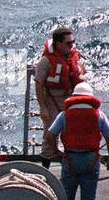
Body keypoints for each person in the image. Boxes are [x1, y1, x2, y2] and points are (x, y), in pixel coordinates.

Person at [46, 83, 109, 200]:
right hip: (91, 160)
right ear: (90, 98)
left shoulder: (64, 115)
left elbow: (50, 135)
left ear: (73, 97)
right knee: (88, 197)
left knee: (65, 196)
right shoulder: (98, 115)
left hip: (70, 159)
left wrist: (57, 152)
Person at [33, 26, 88, 169]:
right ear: (58, 44)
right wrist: (42, 107)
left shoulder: (74, 57)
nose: (72, 45)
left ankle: (71, 166)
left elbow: (82, 73)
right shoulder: (45, 61)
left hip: (70, 100)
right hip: (52, 100)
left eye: (73, 42)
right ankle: (45, 170)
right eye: (68, 43)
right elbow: (38, 84)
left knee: (72, 134)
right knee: (49, 135)